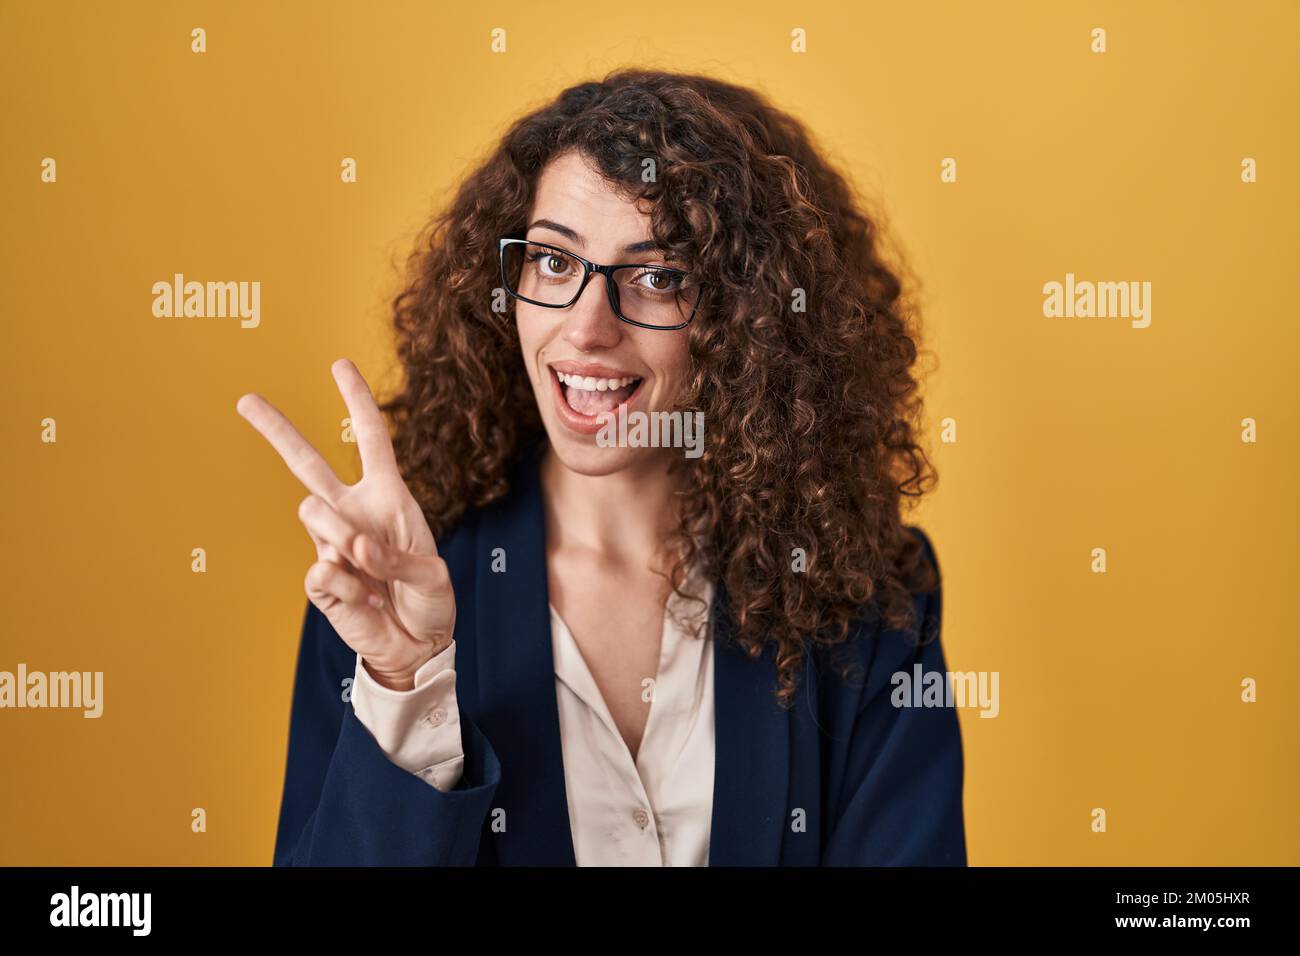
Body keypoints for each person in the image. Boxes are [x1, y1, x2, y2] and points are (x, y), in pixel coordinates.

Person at [238, 68, 966, 866]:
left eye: (656, 277)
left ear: (747, 319)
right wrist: (407, 685)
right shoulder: (390, 589)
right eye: (553, 262)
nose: (586, 329)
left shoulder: (867, 594)